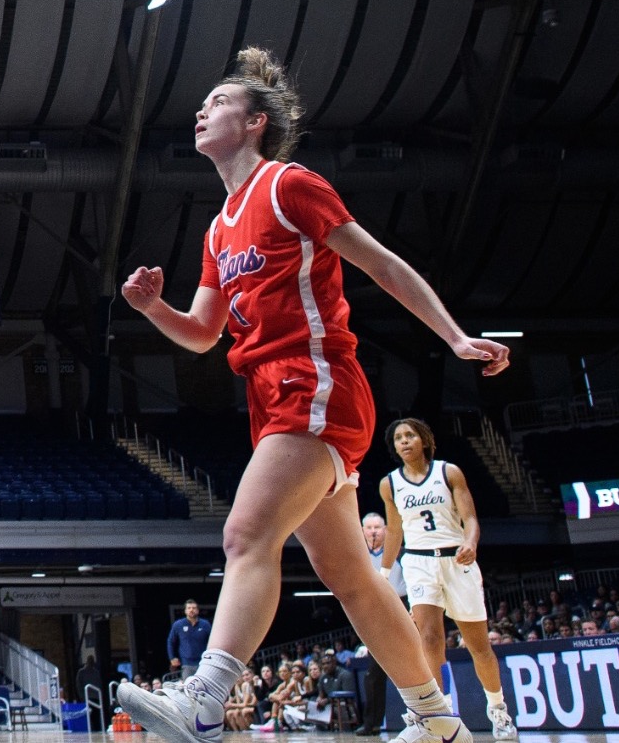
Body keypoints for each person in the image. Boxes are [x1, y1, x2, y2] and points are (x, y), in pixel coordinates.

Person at [116, 47, 506, 743]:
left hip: (316, 381)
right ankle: (439, 720)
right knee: (348, 573)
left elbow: (381, 264)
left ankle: (206, 699)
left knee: (245, 533)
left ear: (255, 121)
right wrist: (154, 309)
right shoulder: (218, 226)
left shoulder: (289, 184)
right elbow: (205, 333)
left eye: (218, 101)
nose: (201, 110)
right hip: (272, 399)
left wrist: (454, 336)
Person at [380, 418, 514, 740]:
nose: (405, 441)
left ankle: (498, 710)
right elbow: (395, 530)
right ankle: (441, 715)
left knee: (478, 645)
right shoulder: (390, 484)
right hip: (418, 562)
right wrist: (384, 574)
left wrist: (470, 542)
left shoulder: (448, 472)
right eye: (399, 438)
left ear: (424, 439)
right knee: (428, 639)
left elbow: (469, 518)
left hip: (456, 558)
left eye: (410, 435)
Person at [355, 514, 407, 736]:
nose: (374, 531)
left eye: (378, 527)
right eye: (369, 527)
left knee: (411, 668)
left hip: (401, 607)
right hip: (371, 611)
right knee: (374, 673)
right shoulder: (357, 555)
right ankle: (372, 723)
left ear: (386, 530)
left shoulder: (400, 553)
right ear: (362, 530)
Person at [167, 601, 211, 676]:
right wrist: (172, 657)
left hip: (203, 663)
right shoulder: (178, 624)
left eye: (194, 608)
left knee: (205, 686)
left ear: (198, 610)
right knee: (188, 686)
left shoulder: (205, 624)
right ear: (185, 611)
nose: (191, 610)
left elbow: (212, 641)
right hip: (187, 663)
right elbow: (171, 642)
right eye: (189, 608)